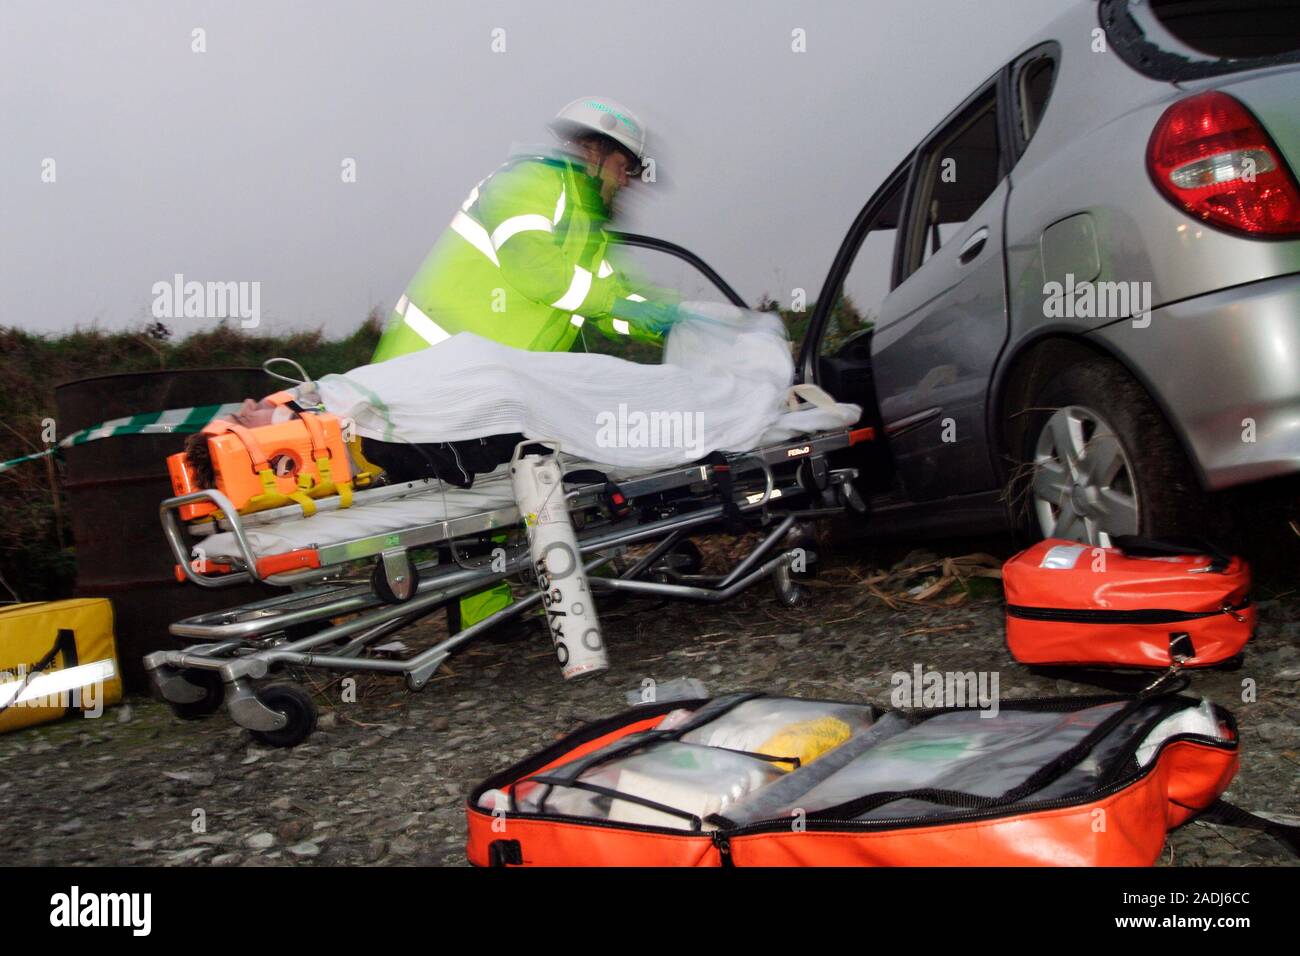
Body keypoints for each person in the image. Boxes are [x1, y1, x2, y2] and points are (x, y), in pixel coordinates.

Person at [370, 96, 679, 632]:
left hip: (473, 397)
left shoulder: (585, 224)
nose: (628, 182)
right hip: (426, 395)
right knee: (492, 496)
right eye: (626, 168)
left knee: (517, 487)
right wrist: (622, 305)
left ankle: (522, 605)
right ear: (595, 152)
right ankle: (487, 615)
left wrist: (665, 318)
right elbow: (538, 270)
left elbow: (605, 300)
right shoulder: (531, 183)